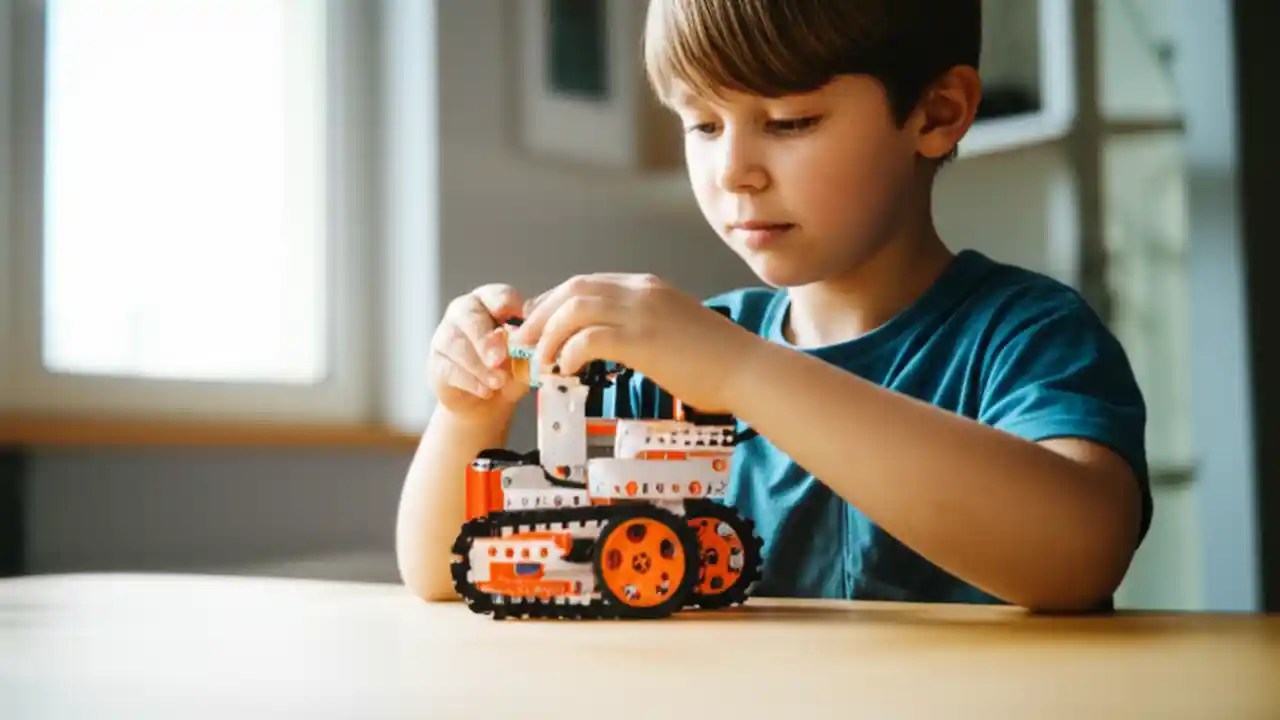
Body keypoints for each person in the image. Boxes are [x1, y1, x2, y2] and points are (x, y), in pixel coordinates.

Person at [396, 0, 1150, 612]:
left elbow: (1079, 553)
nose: (734, 172)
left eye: (790, 121)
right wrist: (469, 414)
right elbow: (445, 571)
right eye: (702, 124)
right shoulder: (673, 370)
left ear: (937, 112)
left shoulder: (1026, 335)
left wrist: (741, 373)